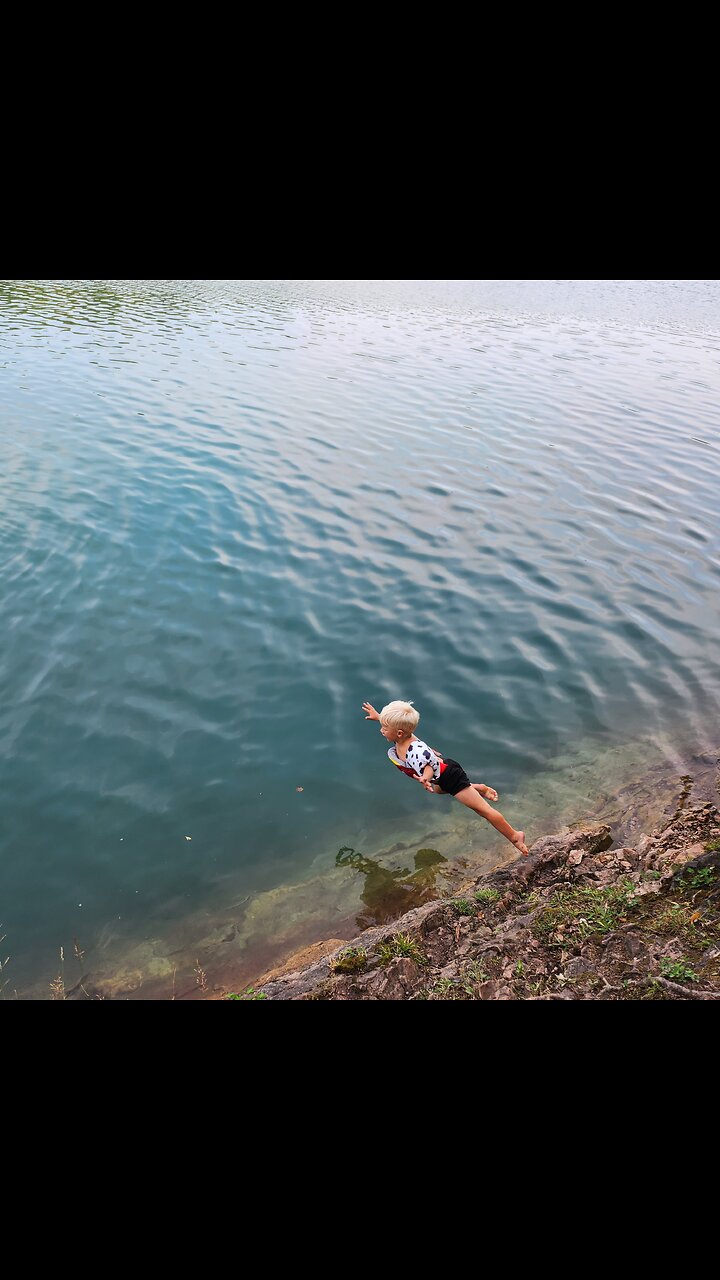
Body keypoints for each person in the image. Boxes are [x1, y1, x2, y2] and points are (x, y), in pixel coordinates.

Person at [362, 699, 529, 856]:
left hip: (450, 776)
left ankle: (515, 836)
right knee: (439, 790)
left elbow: (428, 766)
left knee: (484, 811)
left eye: (384, 727)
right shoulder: (403, 736)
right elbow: (396, 728)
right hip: (441, 776)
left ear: (399, 733)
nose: (381, 730)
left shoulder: (415, 750)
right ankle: (477, 788)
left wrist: (425, 778)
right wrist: (379, 717)